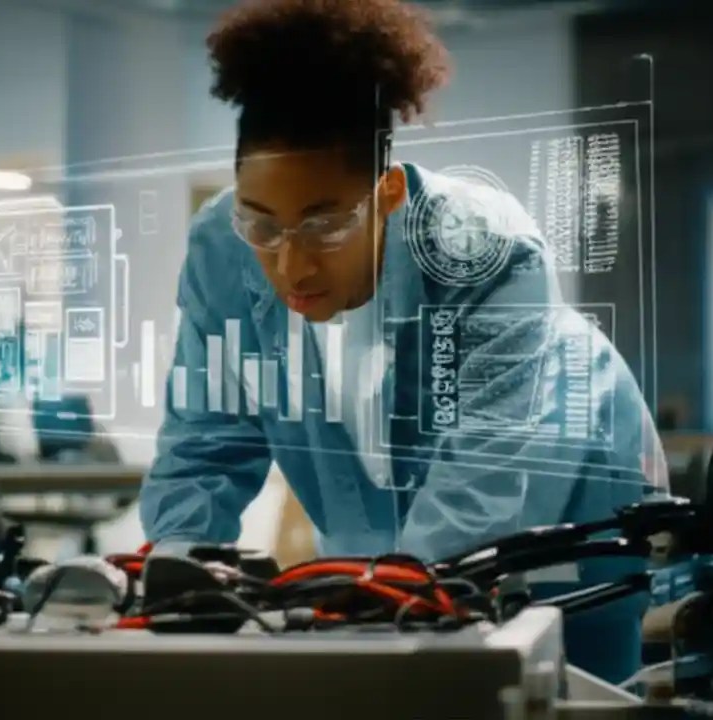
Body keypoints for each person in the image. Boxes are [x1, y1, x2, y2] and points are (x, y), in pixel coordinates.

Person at [138, 0, 666, 683]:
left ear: (387, 192)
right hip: (388, 519)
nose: (290, 265)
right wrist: (182, 575)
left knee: (560, 679)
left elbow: (494, 466)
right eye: (261, 224)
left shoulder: (483, 250)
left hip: (567, 496)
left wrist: (392, 597)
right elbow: (205, 437)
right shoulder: (220, 247)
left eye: (324, 225)